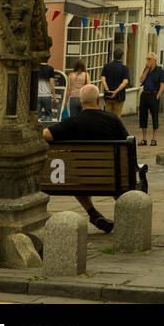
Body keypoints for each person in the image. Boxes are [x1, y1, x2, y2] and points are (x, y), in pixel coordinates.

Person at [42, 82, 127, 233]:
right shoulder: (113, 120)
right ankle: (128, 215)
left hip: (80, 178)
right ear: (98, 101)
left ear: (81, 102)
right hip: (111, 177)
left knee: (77, 172)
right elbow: (127, 142)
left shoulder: (73, 122)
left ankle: (92, 212)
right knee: (114, 173)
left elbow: (46, 134)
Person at [139, 52, 164, 146]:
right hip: (145, 94)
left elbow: (162, 85)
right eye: (147, 59)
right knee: (143, 117)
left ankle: (154, 139)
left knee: (154, 116)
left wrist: (157, 96)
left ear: (154, 60)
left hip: (153, 95)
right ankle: (144, 139)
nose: (147, 61)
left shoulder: (160, 70)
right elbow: (141, 81)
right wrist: (146, 69)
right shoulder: (146, 70)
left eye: (149, 59)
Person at [100, 47, 130, 116]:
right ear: (122, 57)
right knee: (117, 117)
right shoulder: (124, 68)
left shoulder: (106, 66)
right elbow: (125, 82)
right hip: (119, 96)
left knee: (108, 116)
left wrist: (107, 89)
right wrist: (116, 91)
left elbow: (103, 79)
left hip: (108, 95)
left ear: (113, 56)